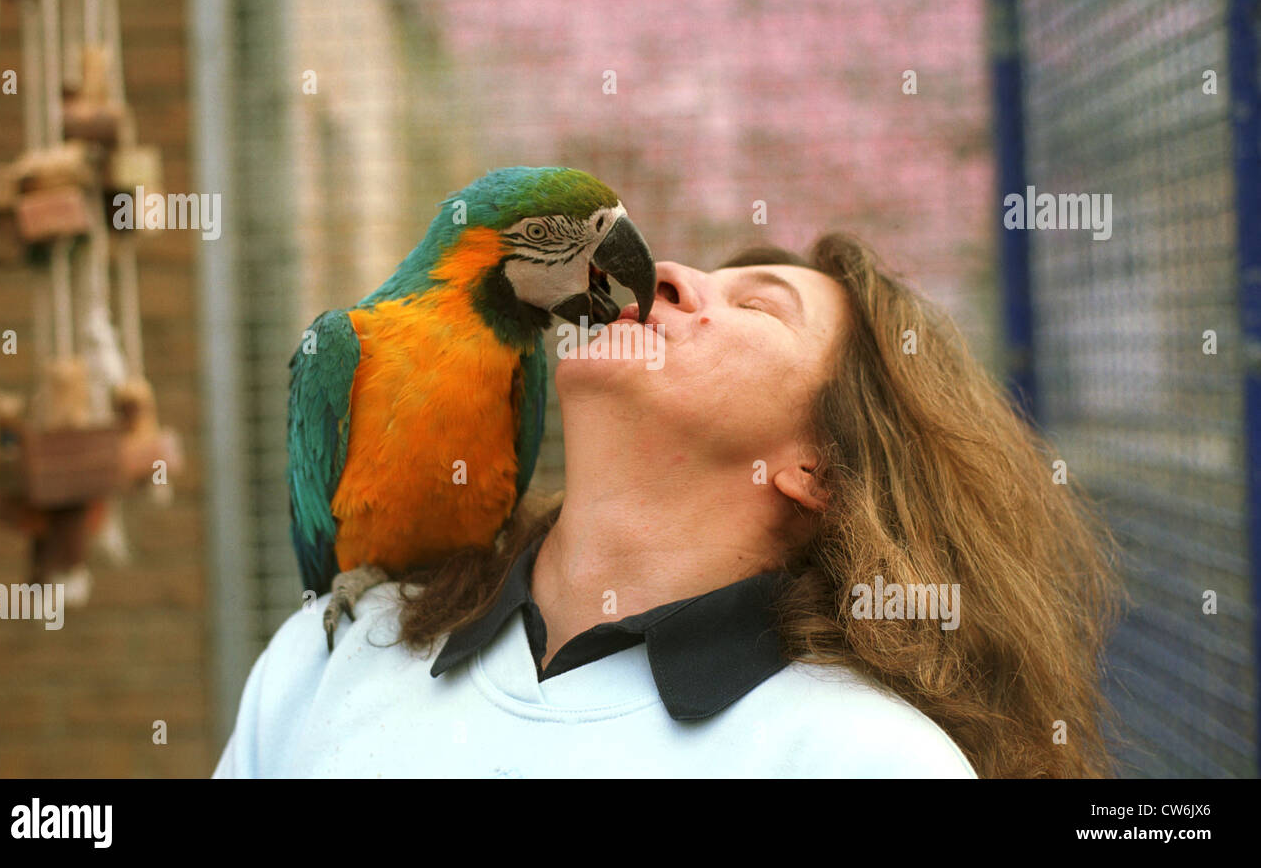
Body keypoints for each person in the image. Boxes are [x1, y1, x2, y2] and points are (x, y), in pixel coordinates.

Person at [213, 233, 1122, 778]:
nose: (675, 273)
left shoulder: (870, 759)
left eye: (758, 305)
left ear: (822, 470)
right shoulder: (333, 653)